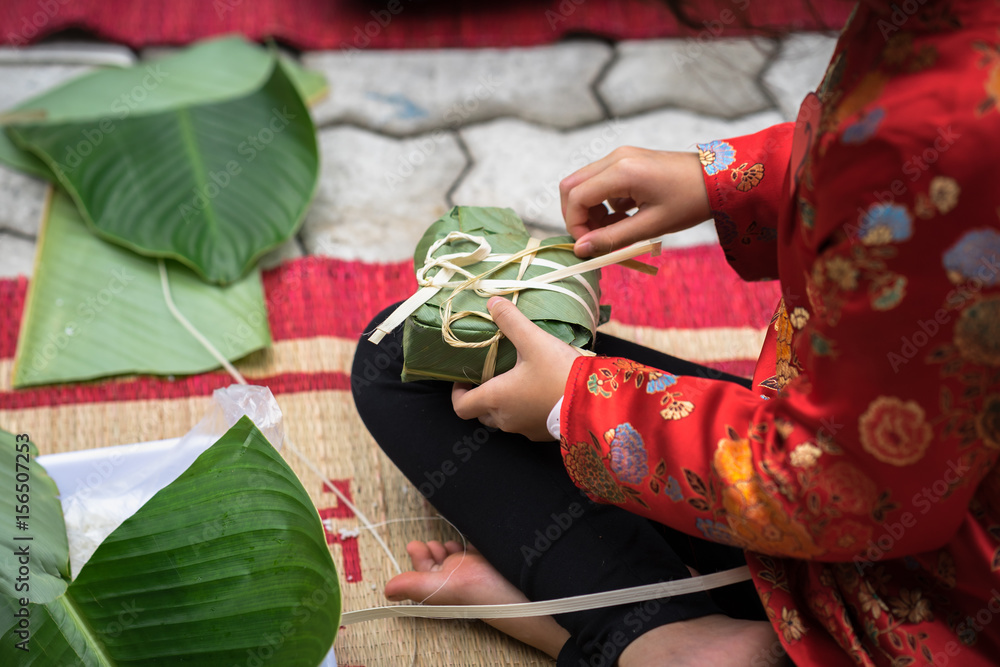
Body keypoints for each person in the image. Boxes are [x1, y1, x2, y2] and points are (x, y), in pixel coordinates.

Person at [352, 1, 1000, 664]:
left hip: (924, 590)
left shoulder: (943, 128)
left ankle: (651, 638)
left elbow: (850, 490)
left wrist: (577, 404)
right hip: (893, 474)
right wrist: (730, 178)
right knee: (417, 356)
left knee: (406, 370)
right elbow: (887, 187)